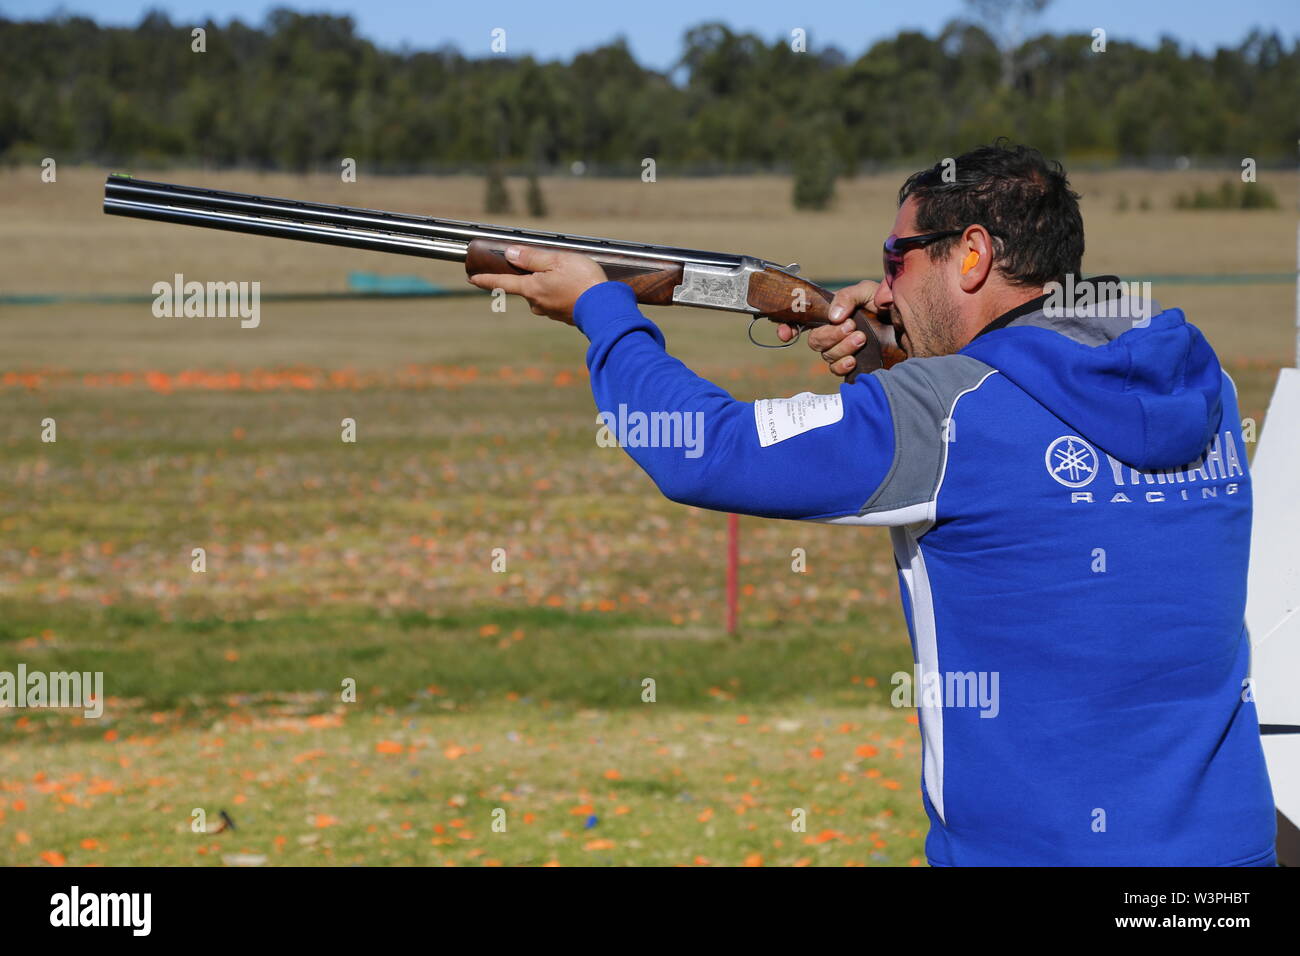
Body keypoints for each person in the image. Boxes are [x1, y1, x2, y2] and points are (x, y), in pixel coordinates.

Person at [468, 142, 1276, 866]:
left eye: (897, 257)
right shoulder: (1199, 386)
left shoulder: (947, 411)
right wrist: (895, 363)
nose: (882, 279)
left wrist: (603, 312)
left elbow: (703, 451)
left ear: (970, 254)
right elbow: (1040, 445)